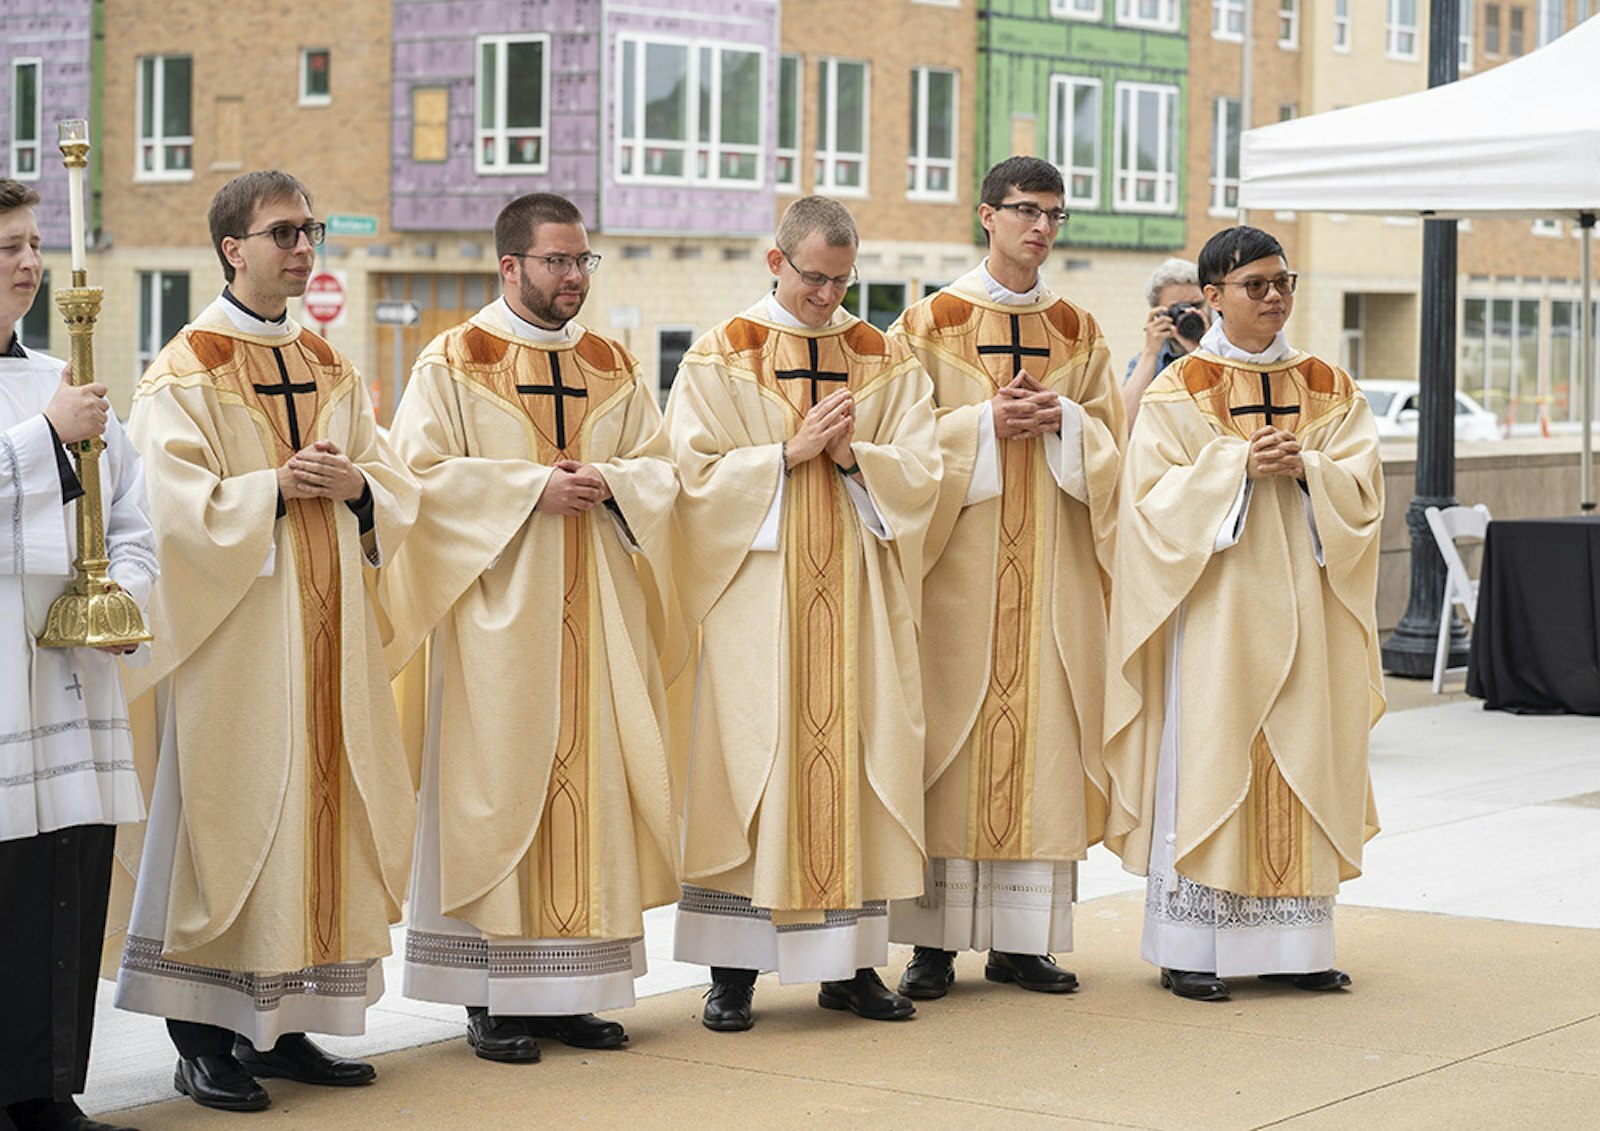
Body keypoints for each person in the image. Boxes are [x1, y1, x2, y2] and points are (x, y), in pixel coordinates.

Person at [114, 171, 420, 1112]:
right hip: (234, 647)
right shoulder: (184, 370)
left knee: (317, 824)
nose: (302, 247)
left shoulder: (329, 363)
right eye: (283, 231)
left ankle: (285, 1027)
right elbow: (161, 511)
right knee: (226, 821)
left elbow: (390, 480)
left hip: (327, 644)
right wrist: (269, 490)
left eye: (311, 230)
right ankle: (202, 1040)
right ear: (231, 249)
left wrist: (354, 490)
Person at [380, 193, 679, 1065]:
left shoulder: (613, 362)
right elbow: (416, 483)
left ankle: (568, 991)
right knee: (494, 791)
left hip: (595, 615)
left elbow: (664, 473)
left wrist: (615, 483)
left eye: (583, 261)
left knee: (588, 795)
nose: (575, 277)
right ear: (510, 266)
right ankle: (488, 994)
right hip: (493, 631)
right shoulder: (453, 360)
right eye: (558, 262)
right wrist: (526, 489)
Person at [663, 196, 940, 1031]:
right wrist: (787, 455)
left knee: (854, 763)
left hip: (854, 602)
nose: (827, 296)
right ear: (775, 261)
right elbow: (685, 478)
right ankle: (733, 973)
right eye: (814, 277)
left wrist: (857, 458)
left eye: (841, 279)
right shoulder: (720, 356)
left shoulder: (881, 357)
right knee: (750, 769)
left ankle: (851, 967)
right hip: (757, 608)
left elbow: (925, 475)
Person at [1102, 225, 1384, 1003]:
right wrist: (1234, 467)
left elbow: (1364, 492)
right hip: (1218, 615)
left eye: (1281, 282)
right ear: (1214, 295)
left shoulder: (1329, 384)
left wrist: (1310, 470)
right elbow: (1148, 501)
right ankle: (1191, 946)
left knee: (1303, 758)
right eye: (1253, 285)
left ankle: (1297, 942)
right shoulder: (1178, 388)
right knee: (1212, 756)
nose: (1272, 297)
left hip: (1307, 610)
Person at [886, 156, 1124, 1002]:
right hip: (957, 575)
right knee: (946, 745)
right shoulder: (926, 325)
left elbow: (1114, 452)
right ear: (986, 215)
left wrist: (1067, 422)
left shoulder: (1079, 330)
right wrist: (982, 422)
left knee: (1045, 744)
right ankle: (932, 946)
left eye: (1056, 213)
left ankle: (1024, 942)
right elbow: (900, 446)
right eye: (1026, 210)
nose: (1042, 227)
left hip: (1049, 579)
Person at [0, 180, 155, 1131]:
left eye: (30, 244)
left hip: (68, 682)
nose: (27, 263)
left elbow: (132, 516)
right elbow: (53, 458)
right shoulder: (55, 409)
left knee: (66, 880)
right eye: (6, 246)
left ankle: (46, 1088)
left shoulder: (61, 377)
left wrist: (122, 598)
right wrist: (47, 442)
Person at [1123, 258, 1209, 427]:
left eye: (1196, 305)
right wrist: (1150, 352)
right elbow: (1125, 424)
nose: (1190, 314)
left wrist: (1200, 353)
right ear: (1159, 313)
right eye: (1179, 309)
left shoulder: (1228, 351)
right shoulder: (1147, 361)